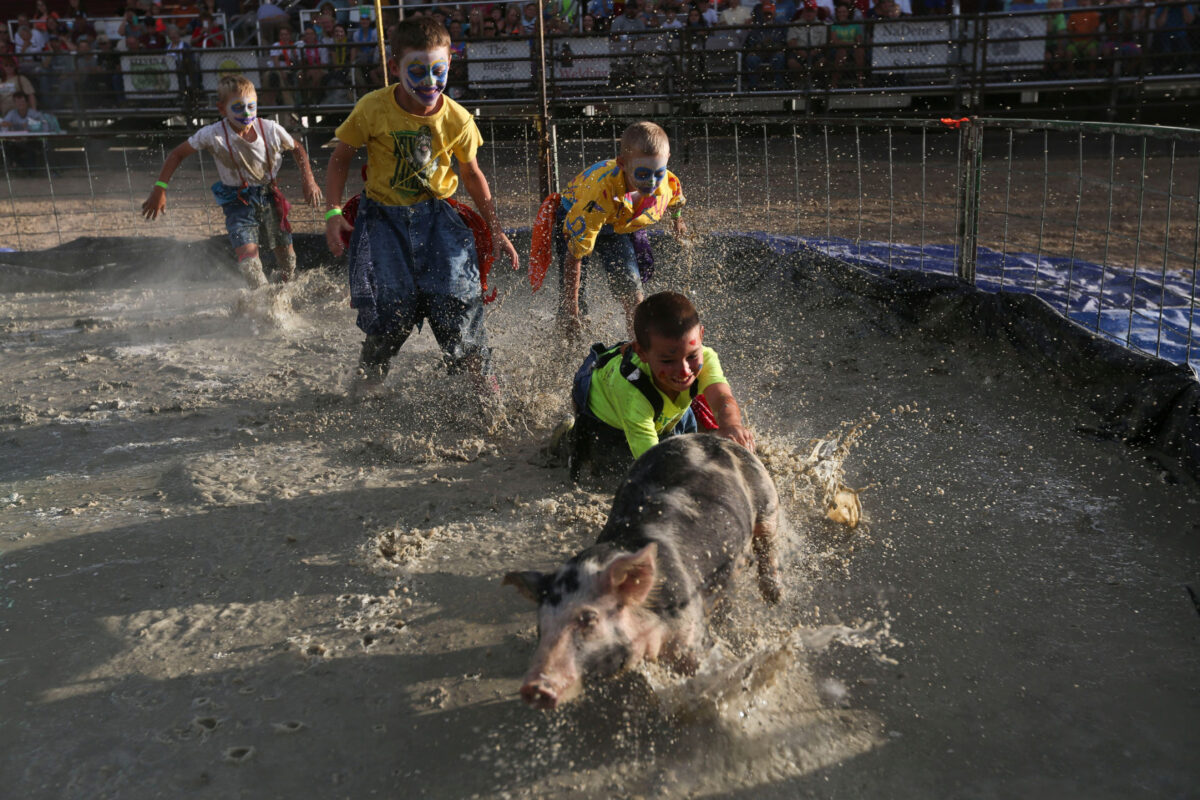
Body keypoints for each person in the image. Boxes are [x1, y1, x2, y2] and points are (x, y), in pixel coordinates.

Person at [322, 16, 520, 399]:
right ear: (395, 68)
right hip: (383, 221)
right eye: (418, 71)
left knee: (457, 300)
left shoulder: (458, 118)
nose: (429, 82)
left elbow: (472, 173)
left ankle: (482, 384)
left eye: (438, 71)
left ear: (450, 66)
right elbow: (340, 157)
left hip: (439, 220)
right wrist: (332, 213)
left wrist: (496, 229)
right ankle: (369, 379)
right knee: (390, 308)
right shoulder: (372, 108)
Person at [141, 75, 323, 288]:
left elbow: (297, 148)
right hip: (238, 202)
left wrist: (309, 179)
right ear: (221, 109)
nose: (246, 113)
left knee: (288, 259)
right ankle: (265, 302)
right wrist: (160, 189)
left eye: (251, 106)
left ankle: (284, 290)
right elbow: (177, 154)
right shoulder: (212, 134)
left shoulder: (271, 129)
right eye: (238, 107)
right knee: (250, 264)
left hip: (269, 196)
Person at [561, 291, 755, 482]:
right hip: (605, 415)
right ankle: (566, 436)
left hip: (662, 410)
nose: (684, 371)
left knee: (685, 444)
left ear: (701, 336)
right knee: (614, 473)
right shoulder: (633, 395)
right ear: (642, 353)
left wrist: (731, 425)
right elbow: (655, 464)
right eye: (668, 360)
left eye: (692, 356)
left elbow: (722, 399)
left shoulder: (706, 357)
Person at [536, 121, 685, 340]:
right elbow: (574, 256)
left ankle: (640, 346)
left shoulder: (664, 181)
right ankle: (567, 334)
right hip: (578, 213)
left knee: (632, 289)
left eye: (658, 173)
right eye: (643, 175)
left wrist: (677, 221)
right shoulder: (599, 195)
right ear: (623, 164)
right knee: (574, 299)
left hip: (615, 222)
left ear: (667, 159)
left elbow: (675, 197)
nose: (652, 183)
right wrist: (572, 311)